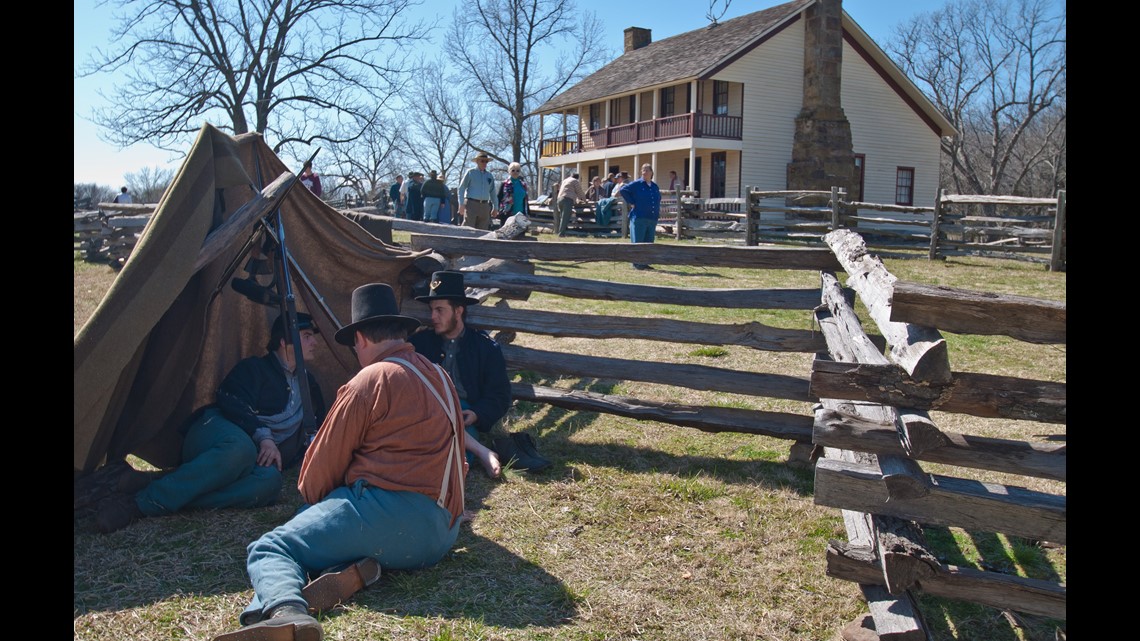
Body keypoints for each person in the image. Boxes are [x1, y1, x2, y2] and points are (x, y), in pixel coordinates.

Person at [211, 283, 466, 641]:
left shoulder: (370, 379)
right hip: (444, 532)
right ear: (399, 333)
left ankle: (286, 613)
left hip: (397, 523)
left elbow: (315, 478)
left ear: (360, 339)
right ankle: (356, 570)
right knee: (322, 536)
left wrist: (322, 504)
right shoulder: (440, 375)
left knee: (272, 546)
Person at [94, 313, 327, 534]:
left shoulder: (309, 385)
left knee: (269, 483)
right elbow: (231, 399)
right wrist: (264, 436)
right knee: (241, 449)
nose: (314, 343)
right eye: (307, 336)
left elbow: (317, 426)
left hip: (249, 461)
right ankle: (140, 505)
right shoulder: (255, 368)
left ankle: (159, 485)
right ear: (285, 341)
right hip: (216, 436)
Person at [410, 271, 550, 474]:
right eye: (432, 310)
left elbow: (500, 396)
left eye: (440, 310)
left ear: (458, 311)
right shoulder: (419, 343)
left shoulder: (485, 348)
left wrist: (477, 414)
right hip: (425, 410)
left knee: (453, 458)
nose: (433, 317)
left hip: (464, 412)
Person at [620, 164, 661, 270]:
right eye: (643, 170)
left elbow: (657, 199)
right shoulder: (637, 184)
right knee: (638, 240)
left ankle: (645, 262)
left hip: (651, 218)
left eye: (647, 170)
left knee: (648, 241)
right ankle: (636, 263)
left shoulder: (655, 186)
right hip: (639, 216)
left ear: (651, 172)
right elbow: (623, 190)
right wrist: (632, 202)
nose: (645, 172)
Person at [457, 151, 497, 230]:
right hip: (471, 204)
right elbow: (461, 188)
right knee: (468, 229)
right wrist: (461, 204)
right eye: (482, 161)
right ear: (477, 161)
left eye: (486, 161)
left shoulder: (489, 175)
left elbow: (493, 192)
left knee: (483, 230)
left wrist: (495, 207)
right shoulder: (470, 172)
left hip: (485, 206)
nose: (484, 163)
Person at [495, 162, 530, 228]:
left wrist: (528, 212)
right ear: (509, 171)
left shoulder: (523, 185)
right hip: (507, 213)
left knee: (520, 235)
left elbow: (525, 199)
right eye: (513, 170)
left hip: (521, 213)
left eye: (517, 170)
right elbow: (499, 197)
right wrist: (496, 209)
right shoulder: (504, 184)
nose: (515, 172)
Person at [556, 172, 587, 237]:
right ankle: (561, 234)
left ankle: (561, 232)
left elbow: (570, 191)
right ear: (577, 178)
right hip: (567, 200)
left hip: (559, 199)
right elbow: (579, 191)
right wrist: (585, 200)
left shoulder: (565, 180)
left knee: (562, 217)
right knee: (565, 218)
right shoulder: (575, 181)